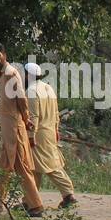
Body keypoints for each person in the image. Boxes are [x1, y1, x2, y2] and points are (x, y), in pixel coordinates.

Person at [0, 43, 44, 217]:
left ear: (4, 54)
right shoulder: (2, 74)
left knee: (21, 167)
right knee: (3, 166)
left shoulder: (10, 74)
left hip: (15, 129)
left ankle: (36, 206)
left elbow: (22, 99)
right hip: (7, 129)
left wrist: (26, 119)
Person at [25, 62, 76, 209]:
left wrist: (30, 136)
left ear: (29, 75)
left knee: (49, 166)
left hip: (39, 134)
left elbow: (33, 117)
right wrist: (56, 130)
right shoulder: (48, 88)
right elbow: (55, 113)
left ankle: (68, 194)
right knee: (35, 167)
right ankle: (29, 200)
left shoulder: (32, 91)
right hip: (49, 132)